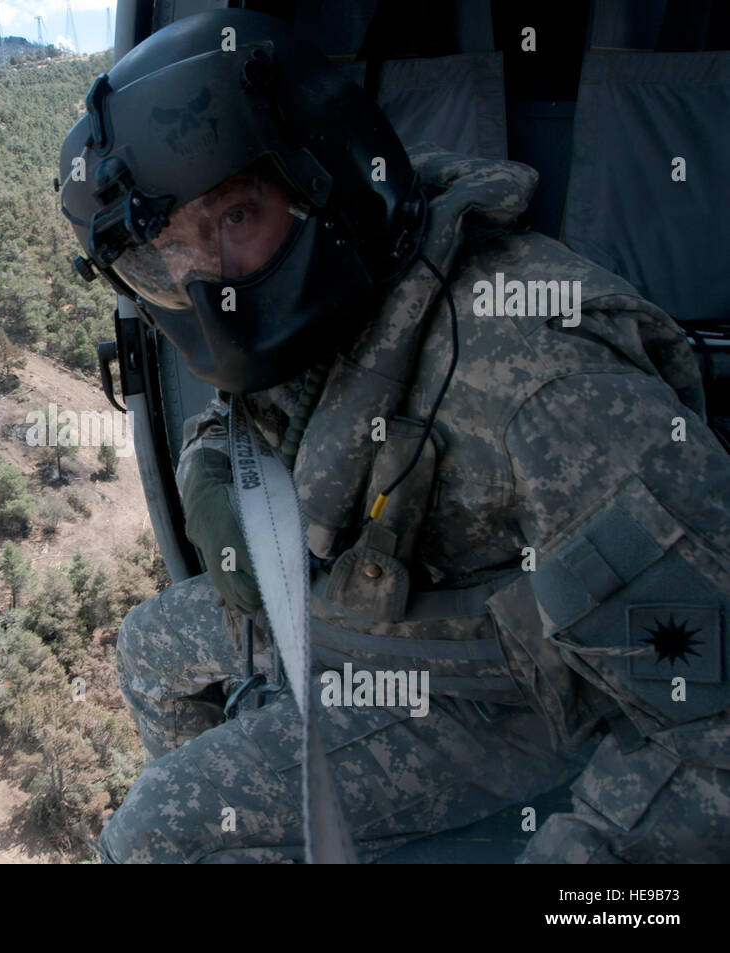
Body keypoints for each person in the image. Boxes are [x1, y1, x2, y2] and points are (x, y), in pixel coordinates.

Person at [57, 8, 730, 863]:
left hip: (493, 692)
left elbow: (711, 727)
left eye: (233, 217)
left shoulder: (543, 382)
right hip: (360, 614)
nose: (204, 280)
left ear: (324, 179)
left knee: (154, 831)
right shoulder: (338, 292)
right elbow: (258, 409)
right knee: (148, 649)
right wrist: (214, 472)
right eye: (164, 254)